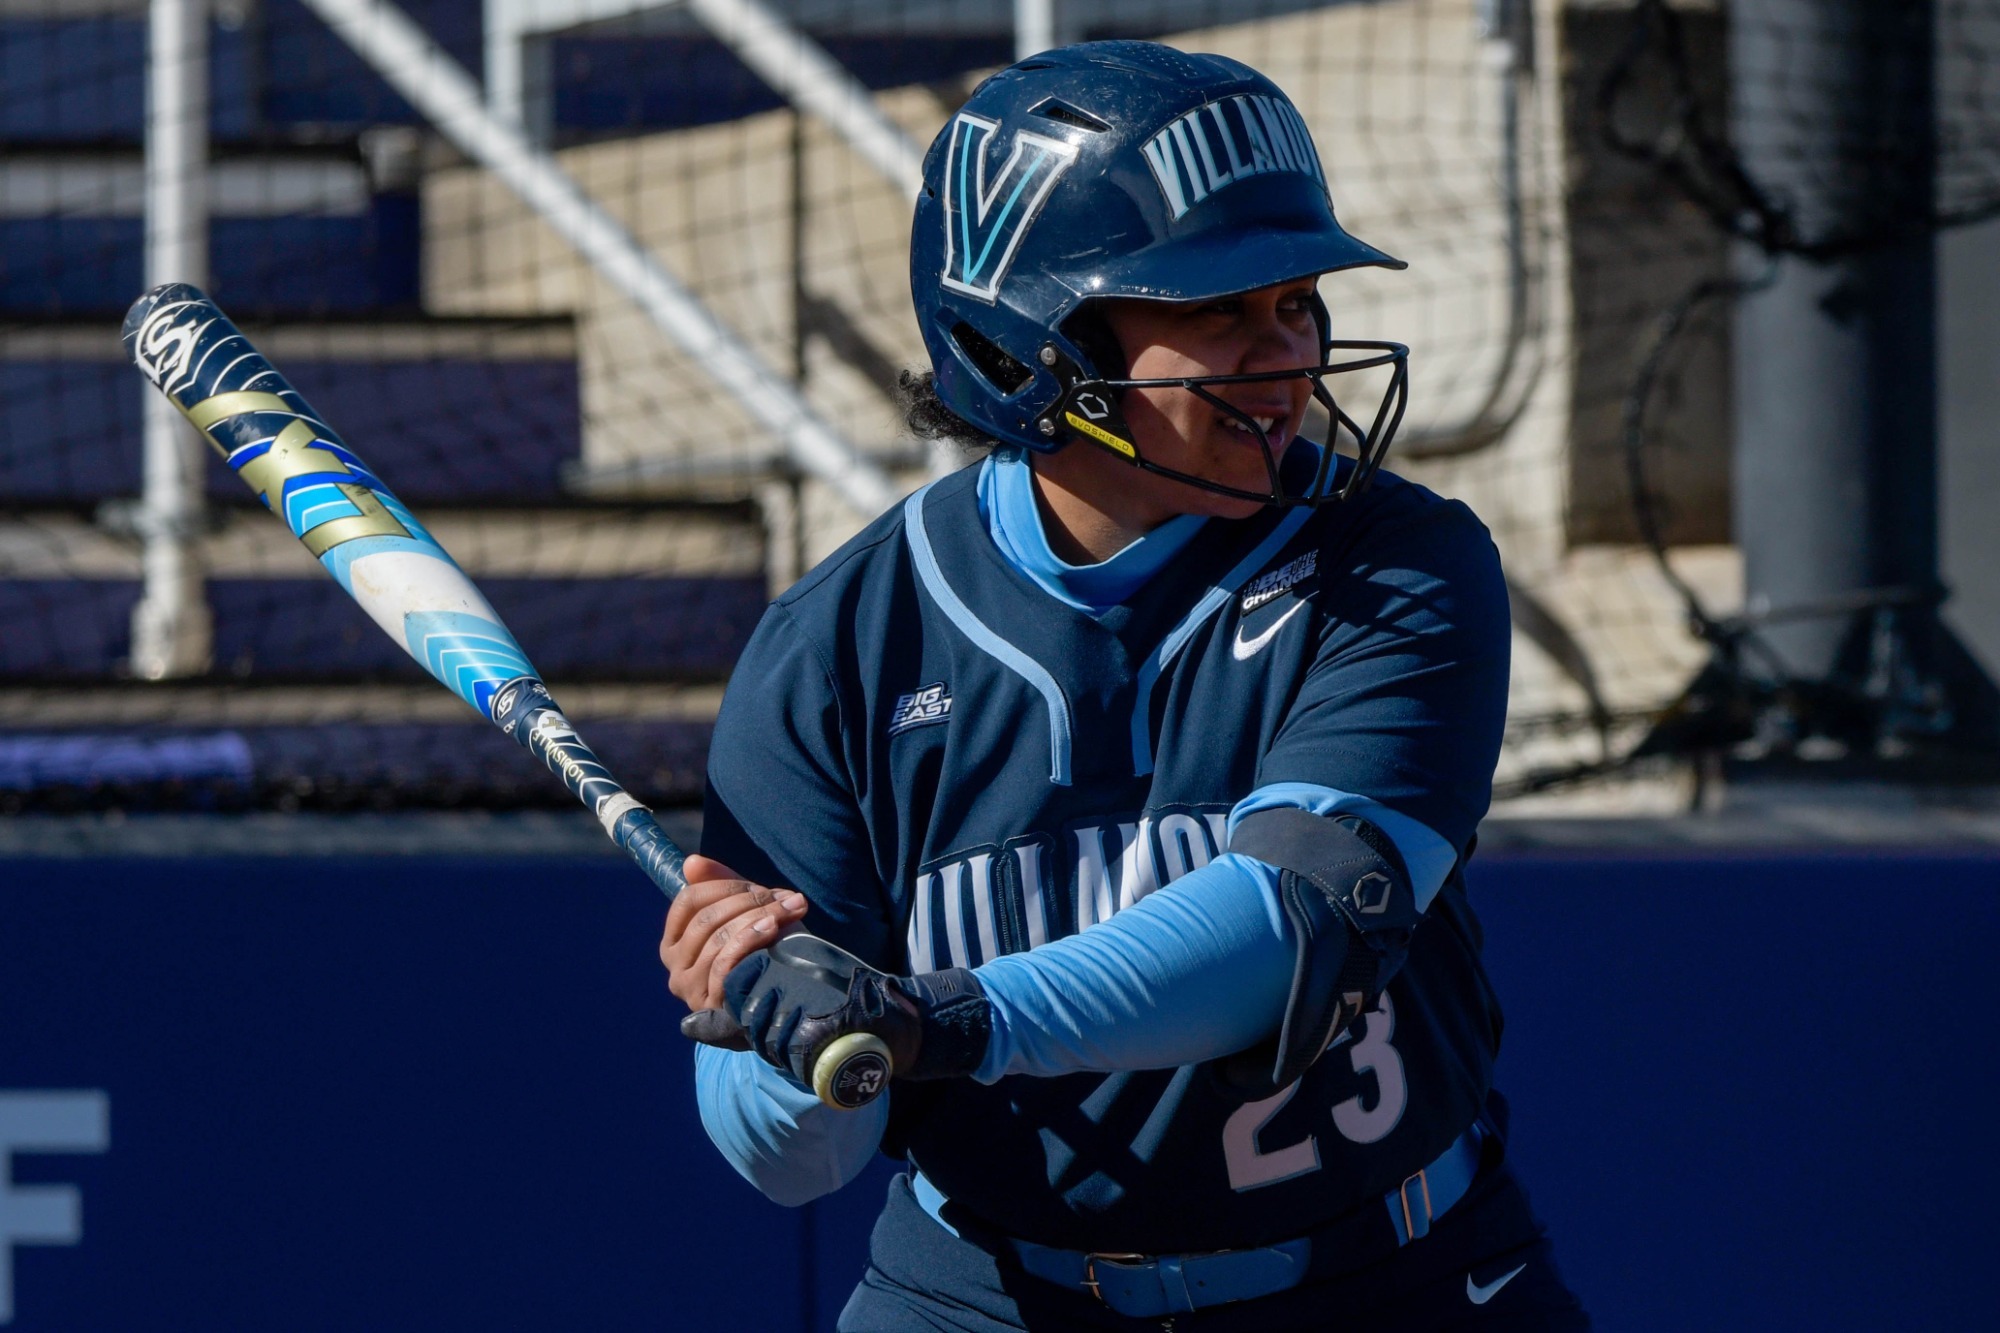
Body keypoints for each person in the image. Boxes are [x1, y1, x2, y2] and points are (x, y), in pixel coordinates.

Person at [660, 40, 1590, 1332]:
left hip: (1392, 1284)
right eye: (1220, 312)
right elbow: (792, 1164)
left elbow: (1282, 933)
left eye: (1297, 303)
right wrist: (786, 1039)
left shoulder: (1398, 565)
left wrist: (942, 1016)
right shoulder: (839, 646)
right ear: (1038, 347)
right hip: (991, 1299)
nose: (1290, 356)